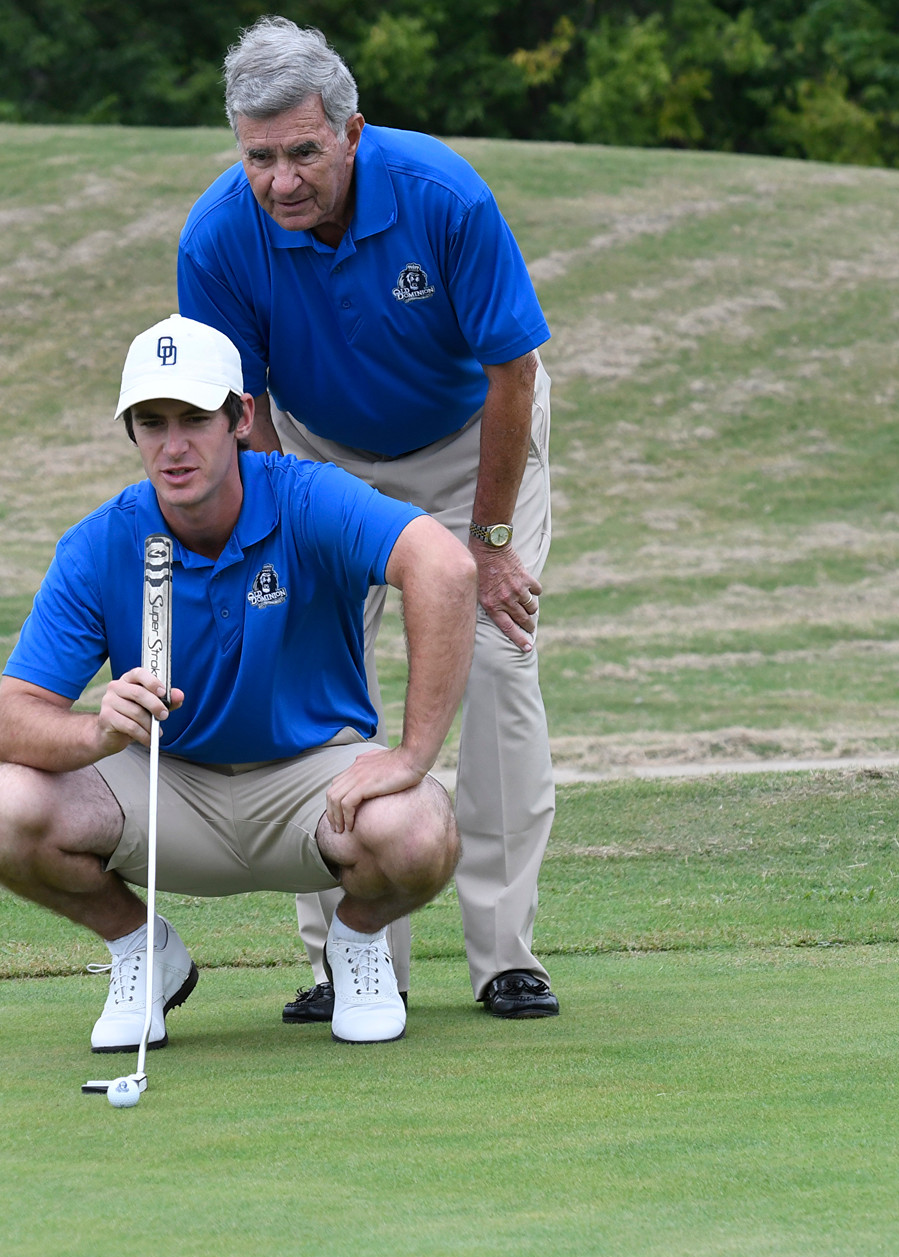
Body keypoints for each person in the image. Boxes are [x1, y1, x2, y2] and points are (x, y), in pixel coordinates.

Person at [179, 17, 562, 1020]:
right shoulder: (217, 237)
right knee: (314, 675)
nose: (281, 180)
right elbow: (239, 418)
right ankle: (349, 960)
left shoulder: (444, 197)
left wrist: (488, 545)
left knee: (496, 661)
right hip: (317, 457)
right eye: (259, 157)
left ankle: (504, 953)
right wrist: (279, 549)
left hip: (468, 444)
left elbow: (511, 371)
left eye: (303, 151)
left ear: (352, 132)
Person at [0, 314, 477, 1047]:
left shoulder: (306, 497)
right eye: (151, 422)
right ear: (131, 433)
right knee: (0, 807)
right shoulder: (100, 541)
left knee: (422, 826)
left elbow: (445, 568)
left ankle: (356, 941)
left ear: (240, 417)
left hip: (310, 786)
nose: (173, 446)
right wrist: (99, 730)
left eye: (194, 419)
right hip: (164, 786)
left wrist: (412, 756)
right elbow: (10, 719)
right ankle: (142, 952)